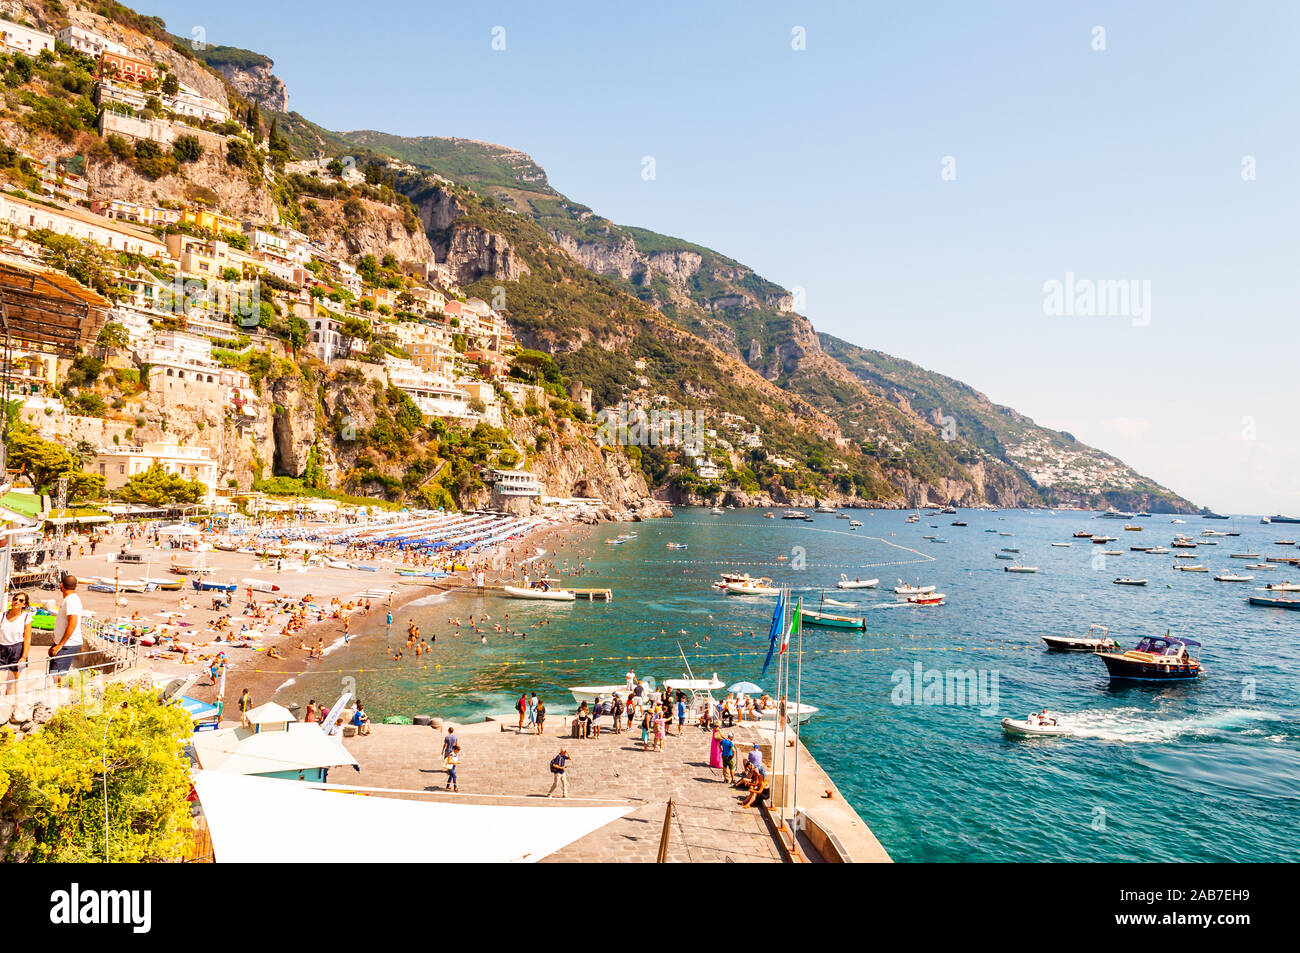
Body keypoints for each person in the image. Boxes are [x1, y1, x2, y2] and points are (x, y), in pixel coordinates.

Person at [48, 573, 83, 687]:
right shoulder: (69, 599)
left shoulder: (71, 601)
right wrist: (56, 643)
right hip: (63, 643)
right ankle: (57, 695)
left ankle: (63, 697)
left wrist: (60, 645)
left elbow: (72, 623)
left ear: (61, 585)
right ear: (76, 586)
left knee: (58, 675)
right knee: (54, 673)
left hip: (68, 643)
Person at [0, 592, 33, 696]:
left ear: (25, 605)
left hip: (16, 650)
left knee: (12, 683)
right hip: (2, 649)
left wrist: (23, 657)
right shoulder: (2, 616)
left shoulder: (26, 618)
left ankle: (9, 707)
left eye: (21, 600)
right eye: (15, 599)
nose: (17, 602)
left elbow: (27, 639)